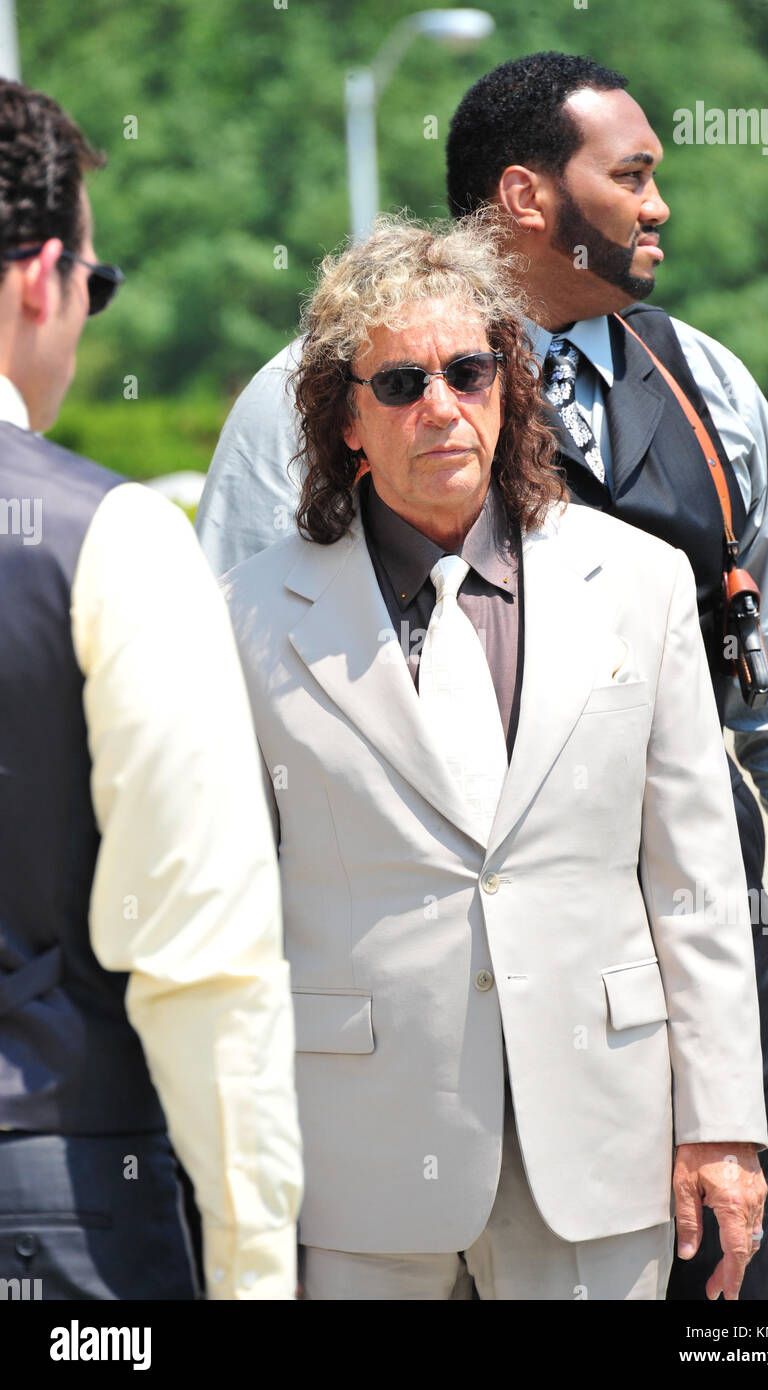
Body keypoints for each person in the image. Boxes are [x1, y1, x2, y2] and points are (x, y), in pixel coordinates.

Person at [195, 52, 768, 1301]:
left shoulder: (705, 391)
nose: (657, 205)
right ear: (527, 194)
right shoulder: (283, 421)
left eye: (472, 374)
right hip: (381, 1093)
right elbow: (231, 731)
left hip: (657, 988)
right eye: (632, 175)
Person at [0, 80, 302, 1301]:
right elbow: (204, 957)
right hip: (53, 1202)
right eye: (95, 284)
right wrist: (255, 1263)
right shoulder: (106, 538)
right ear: (42, 275)